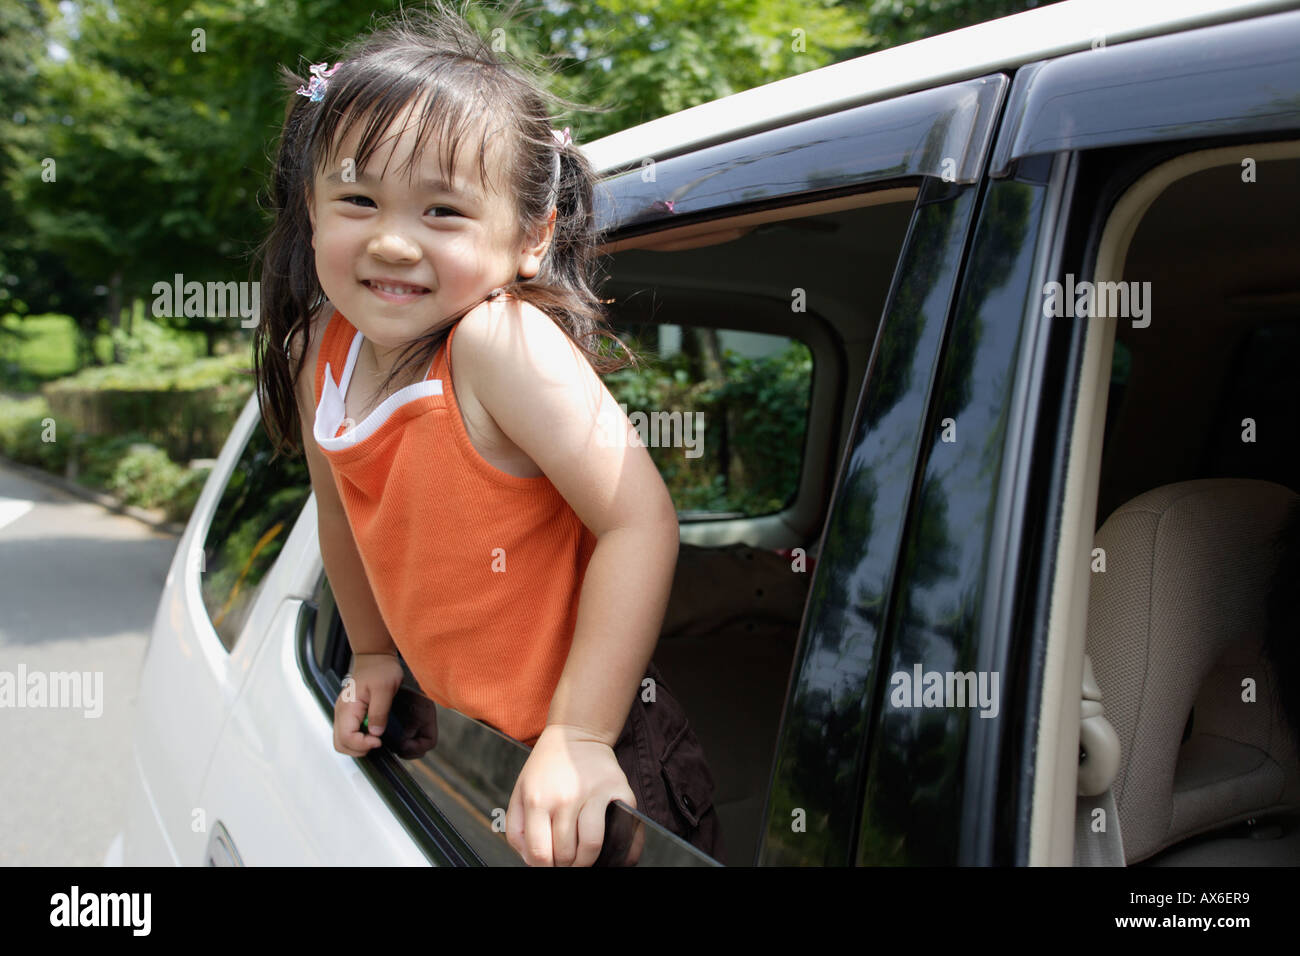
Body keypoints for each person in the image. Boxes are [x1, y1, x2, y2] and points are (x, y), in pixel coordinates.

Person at [250, 1, 725, 866]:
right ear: (311, 209)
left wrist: (580, 733)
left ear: (531, 238)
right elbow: (341, 521)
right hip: (475, 749)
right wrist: (369, 652)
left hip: (599, 757)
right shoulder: (314, 350)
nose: (393, 242)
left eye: (442, 213)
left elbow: (638, 518)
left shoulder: (494, 343)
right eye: (357, 198)